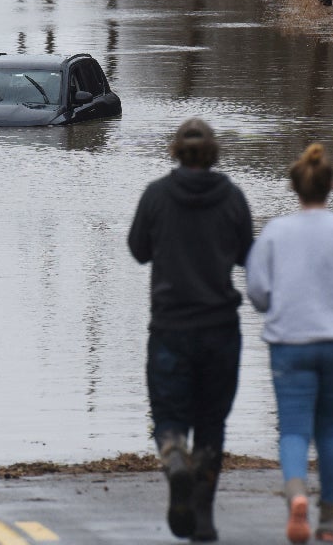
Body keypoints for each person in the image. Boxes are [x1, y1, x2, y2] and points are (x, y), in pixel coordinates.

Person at [246, 143, 333, 544]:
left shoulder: (275, 232)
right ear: (331, 186)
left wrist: (278, 307)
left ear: (295, 189)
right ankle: (330, 521)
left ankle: (296, 498)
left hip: (291, 341)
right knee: (329, 430)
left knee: (293, 429)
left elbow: (257, 291)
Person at [128, 118, 254, 542]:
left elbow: (138, 251)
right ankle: (203, 518)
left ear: (175, 152)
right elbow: (246, 256)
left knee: (168, 414)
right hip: (220, 328)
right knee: (212, 421)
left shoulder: (156, 196)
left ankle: (173, 456)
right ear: (213, 152)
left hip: (170, 326)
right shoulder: (233, 198)